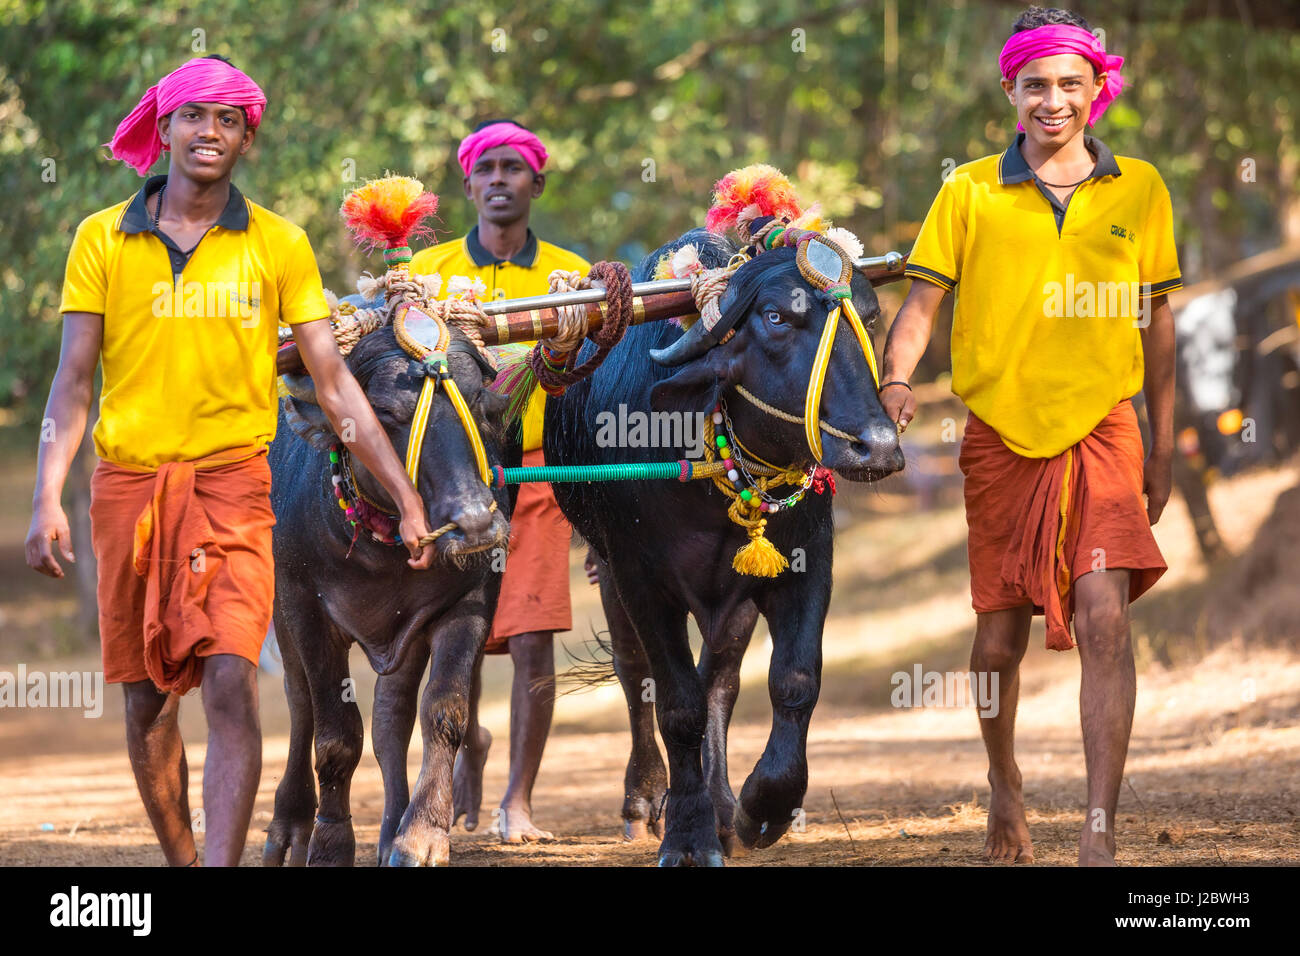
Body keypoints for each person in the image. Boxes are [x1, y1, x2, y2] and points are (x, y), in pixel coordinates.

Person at [24, 55, 438, 866]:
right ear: (164, 128)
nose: (209, 132)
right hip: (129, 491)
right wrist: (45, 497)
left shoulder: (277, 243)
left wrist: (407, 497)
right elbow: (72, 383)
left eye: (228, 121)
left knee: (230, 677)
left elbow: (336, 388)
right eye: (194, 116)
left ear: (246, 139)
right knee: (145, 703)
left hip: (234, 486)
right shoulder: (99, 238)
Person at [881, 6, 1180, 866]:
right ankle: (1004, 781)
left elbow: (1157, 325)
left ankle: (1098, 827)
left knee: (1104, 617)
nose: (1054, 101)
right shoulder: (968, 189)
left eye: (1071, 85)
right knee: (996, 642)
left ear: (1098, 90)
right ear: (1011, 90)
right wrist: (897, 378)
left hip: (1105, 430)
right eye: (1036, 85)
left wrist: (1162, 442)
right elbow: (923, 304)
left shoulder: (1141, 188)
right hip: (1001, 438)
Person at [409, 119, 589, 843]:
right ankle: (455, 777)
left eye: (513, 169)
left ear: (535, 183)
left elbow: (589, 382)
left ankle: (519, 800)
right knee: (455, 638)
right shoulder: (428, 274)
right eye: (486, 170)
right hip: (453, 476)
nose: (499, 181)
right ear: (468, 185)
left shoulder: (569, 274)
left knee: (533, 638)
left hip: (540, 473)